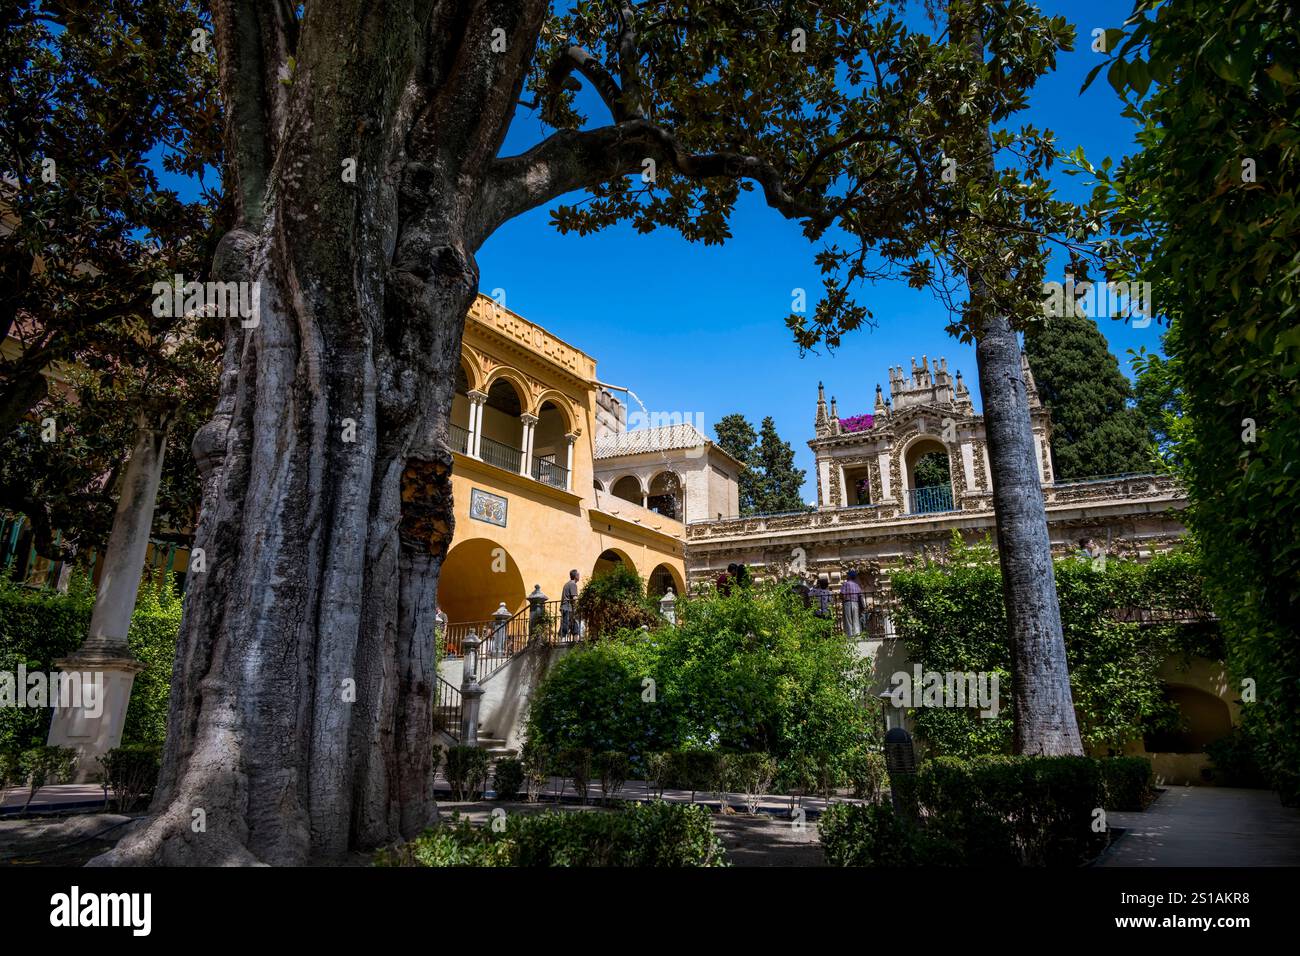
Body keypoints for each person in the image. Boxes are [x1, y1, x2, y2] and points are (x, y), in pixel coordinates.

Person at [840, 569, 866, 637]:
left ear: (849, 576)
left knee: (848, 620)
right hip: (856, 603)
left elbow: (842, 594)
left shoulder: (845, 584)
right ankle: (857, 635)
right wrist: (863, 606)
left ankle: (850, 635)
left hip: (847, 602)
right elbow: (860, 596)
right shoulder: (857, 585)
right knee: (856, 620)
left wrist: (842, 598)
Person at [560, 569, 580, 638]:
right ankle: (560, 641)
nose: (579, 576)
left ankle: (575, 642)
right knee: (565, 626)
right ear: (575, 576)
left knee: (574, 626)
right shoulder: (573, 584)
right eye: (578, 575)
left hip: (566, 608)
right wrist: (579, 608)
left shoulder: (567, 584)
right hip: (568, 608)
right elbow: (574, 598)